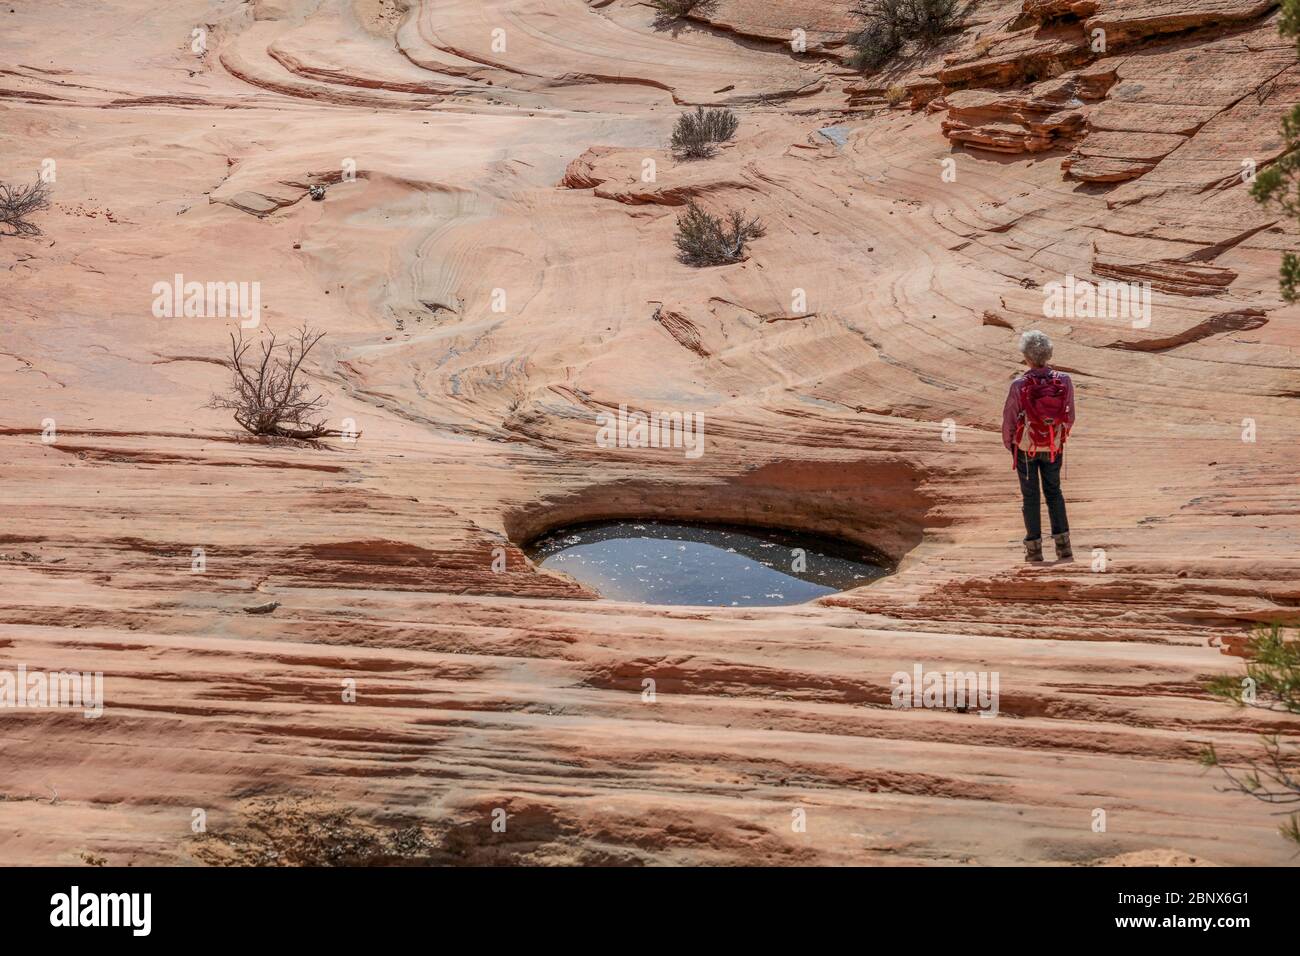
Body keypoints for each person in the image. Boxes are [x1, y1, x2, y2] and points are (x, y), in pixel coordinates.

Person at [1002, 330, 1075, 562]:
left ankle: (1034, 550)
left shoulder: (1019, 384)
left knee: (1030, 496)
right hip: (1053, 444)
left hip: (1025, 448)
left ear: (1026, 356)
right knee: (1054, 492)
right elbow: (1070, 416)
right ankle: (1063, 547)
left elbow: (1009, 419)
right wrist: (1058, 437)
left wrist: (1011, 445)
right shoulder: (1064, 381)